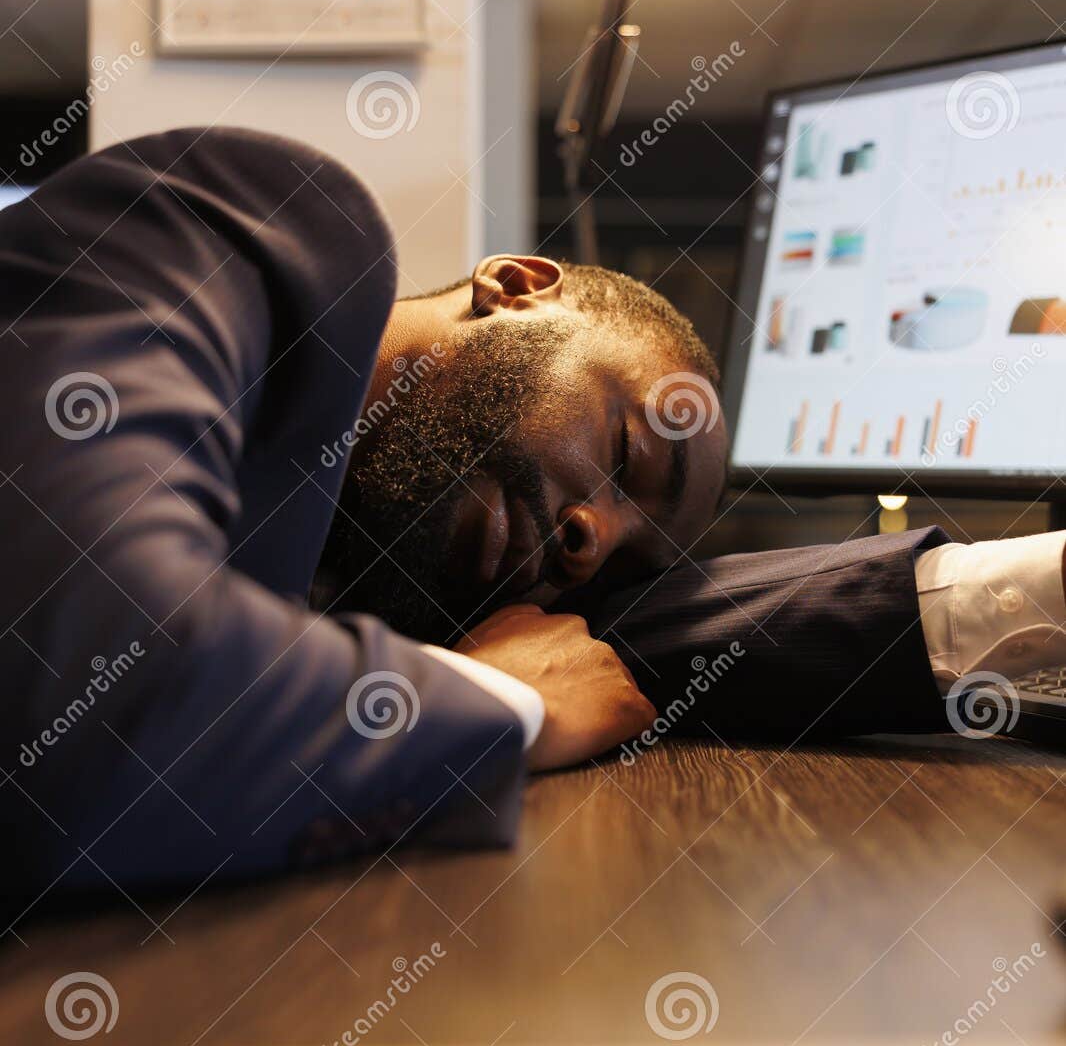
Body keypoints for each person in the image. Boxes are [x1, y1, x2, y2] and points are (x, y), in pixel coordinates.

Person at [1, 127, 1064, 914]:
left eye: (621, 561)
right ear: (517, 286)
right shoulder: (264, 231)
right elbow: (93, 699)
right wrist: (506, 699)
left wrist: (1022, 590)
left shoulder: (394, 570)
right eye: (626, 454)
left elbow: (604, 651)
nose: (589, 541)